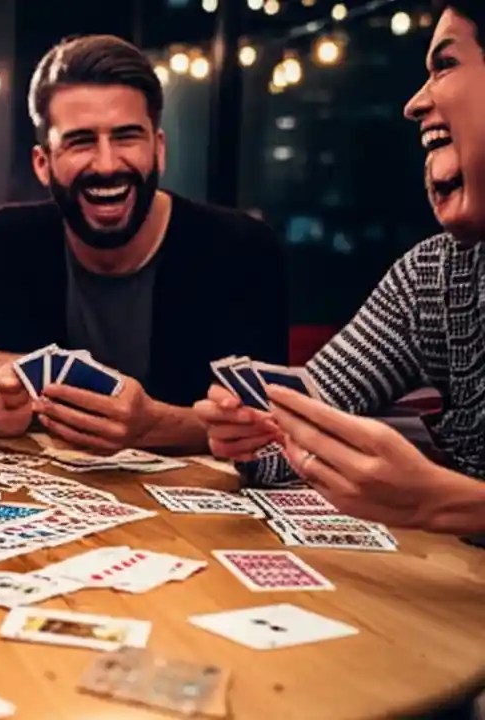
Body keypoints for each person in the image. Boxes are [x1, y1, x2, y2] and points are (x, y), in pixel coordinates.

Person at [194, 0, 485, 537]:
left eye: (444, 65)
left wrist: (451, 504)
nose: (414, 104)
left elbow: (438, 503)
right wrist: (252, 434)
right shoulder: (432, 277)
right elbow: (295, 433)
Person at [0, 35, 288, 454]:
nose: (106, 164)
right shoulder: (13, 240)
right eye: (80, 141)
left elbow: (266, 428)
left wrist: (153, 425)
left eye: (126, 137)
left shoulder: (243, 250)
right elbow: (8, 405)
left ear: (159, 149)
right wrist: (2, 404)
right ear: (42, 164)